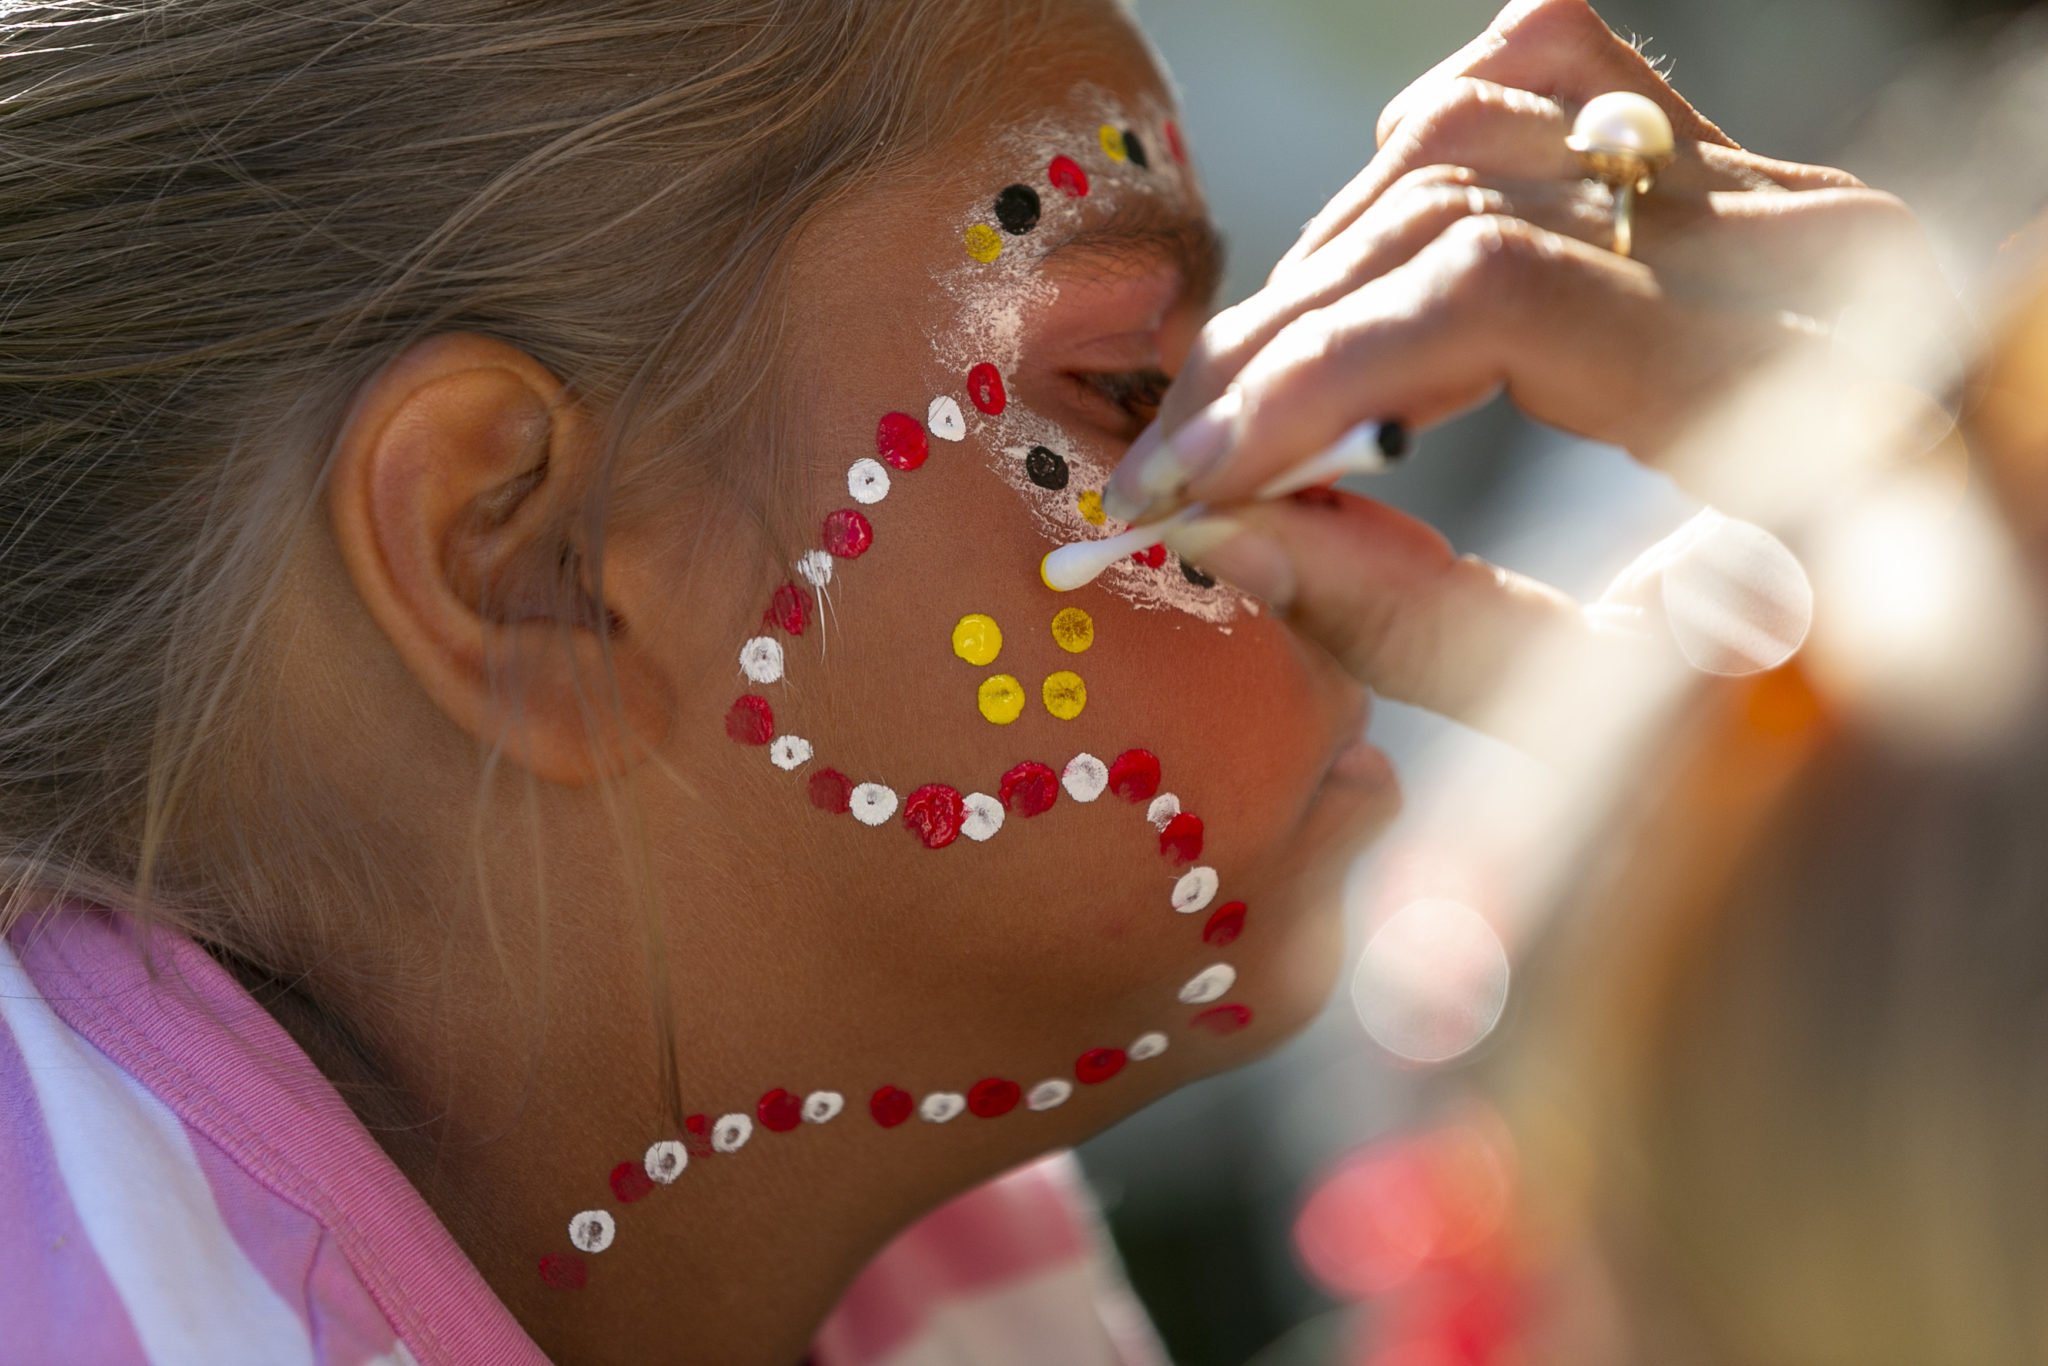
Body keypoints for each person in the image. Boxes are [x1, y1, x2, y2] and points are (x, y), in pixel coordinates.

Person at [0, 1, 1925, 1364]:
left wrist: (1896, 850)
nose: (1315, 463)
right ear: (528, 557)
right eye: (1129, 389)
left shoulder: (896, 1262)